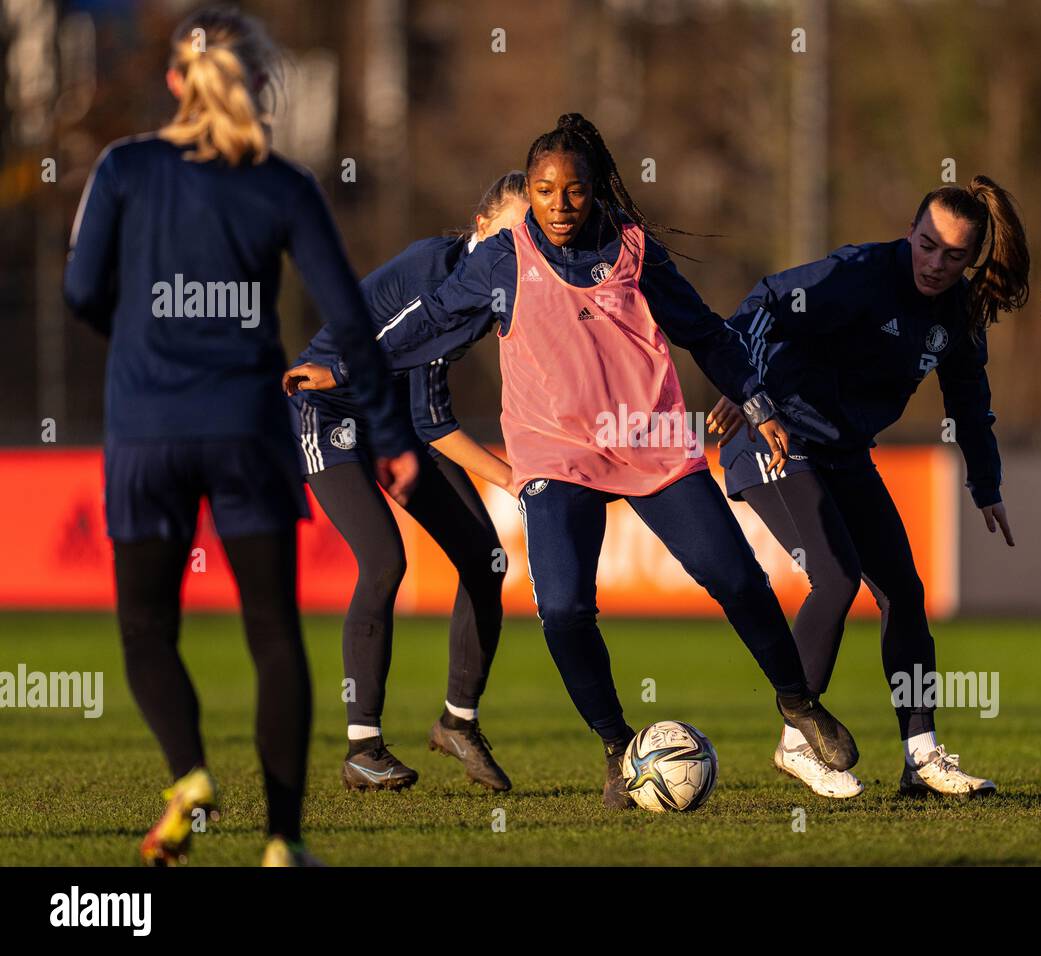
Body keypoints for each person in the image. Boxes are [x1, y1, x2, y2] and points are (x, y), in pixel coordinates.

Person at [332, 112, 857, 808]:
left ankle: (798, 704)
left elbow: (704, 331)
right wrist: (341, 366)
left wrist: (756, 402)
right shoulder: (502, 257)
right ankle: (616, 746)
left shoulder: (636, 250)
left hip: (655, 445)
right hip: (557, 454)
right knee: (566, 611)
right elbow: (430, 321)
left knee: (736, 579)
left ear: (595, 190)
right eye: (544, 191)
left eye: (572, 190)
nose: (558, 205)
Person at [62, 7, 418, 866]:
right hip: (245, 433)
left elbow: (80, 289)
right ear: (260, 82)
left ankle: (188, 776)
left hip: (146, 433)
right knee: (272, 633)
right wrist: (388, 433)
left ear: (177, 80)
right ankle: (283, 842)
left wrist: (149, 342)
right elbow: (350, 319)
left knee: (147, 628)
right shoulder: (281, 184)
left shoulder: (124, 168)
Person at [707, 176, 1028, 799]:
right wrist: (743, 383)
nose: (936, 263)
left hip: (843, 451)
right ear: (911, 232)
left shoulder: (958, 312)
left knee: (905, 593)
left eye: (954, 255)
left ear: (971, 259)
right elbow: (767, 299)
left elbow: (969, 400)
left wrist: (985, 481)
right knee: (835, 576)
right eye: (927, 245)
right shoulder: (857, 272)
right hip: (775, 434)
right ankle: (798, 738)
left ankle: (921, 756)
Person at [281, 172, 528, 793]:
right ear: (479, 228)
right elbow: (400, 379)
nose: (518, 248)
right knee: (383, 560)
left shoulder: (489, 297)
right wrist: (512, 478)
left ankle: (458, 722)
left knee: (485, 559)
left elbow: (428, 416)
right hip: (329, 410)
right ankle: (363, 746)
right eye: (510, 231)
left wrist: (515, 473)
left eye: (530, 238)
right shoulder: (434, 272)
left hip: (398, 425)